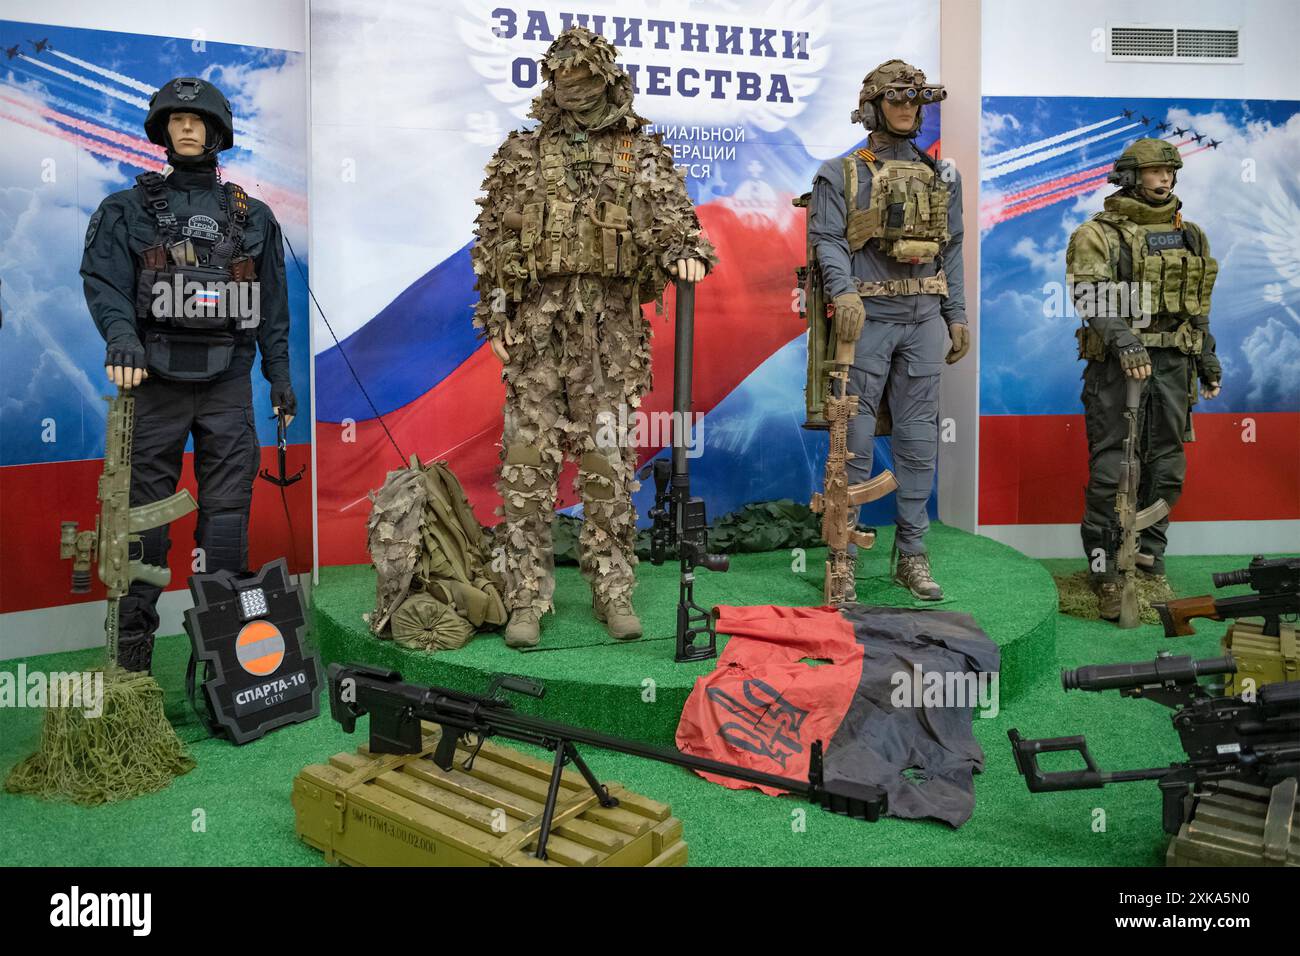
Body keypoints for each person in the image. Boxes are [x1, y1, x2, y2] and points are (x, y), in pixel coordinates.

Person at [471, 27, 715, 648]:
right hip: (536, 330)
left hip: (610, 332)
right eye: (562, 78)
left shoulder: (640, 151)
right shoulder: (521, 153)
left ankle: (612, 592)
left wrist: (685, 251)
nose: (573, 89)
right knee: (527, 466)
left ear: (607, 79)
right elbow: (495, 247)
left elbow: (672, 219)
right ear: (549, 83)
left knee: (607, 467)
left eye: (585, 78)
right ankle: (524, 597)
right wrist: (496, 318)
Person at [81, 77, 295, 670]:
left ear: (218, 131)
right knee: (144, 523)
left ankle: (225, 668)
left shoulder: (256, 218)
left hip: (229, 383)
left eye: (197, 120)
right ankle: (131, 669)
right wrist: (122, 339)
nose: (186, 127)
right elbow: (105, 284)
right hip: (150, 383)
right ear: (161, 130)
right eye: (175, 119)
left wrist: (279, 378)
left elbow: (274, 307)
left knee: (227, 517)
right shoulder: (123, 210)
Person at [808, 59, 969, 601]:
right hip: (867, 320)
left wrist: (958, 314)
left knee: (919, 440)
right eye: (897, 99)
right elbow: (827, 240)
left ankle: (914, 554)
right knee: (849, 442)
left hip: (923, 317)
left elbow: (952, 249)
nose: (907, 108)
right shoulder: (841, 172)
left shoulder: (942, 176)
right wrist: (844, 291)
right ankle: (843, 558)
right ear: (874, 106)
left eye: (915, 100)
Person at [1066, 138, 1220, 619]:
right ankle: (1105, 570)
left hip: (1175, 366)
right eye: (1154, 172)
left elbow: (1197, 306)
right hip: (1119, 368)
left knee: (1166, 465)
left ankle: (1149, 559)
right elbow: (1090, 296)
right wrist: (1126, 342)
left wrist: (1208, 357)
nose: (1165, 179)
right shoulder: (1099, 234)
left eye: (1169, 171)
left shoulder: (1191, 234)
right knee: (1114, 469)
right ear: (1131, 176)